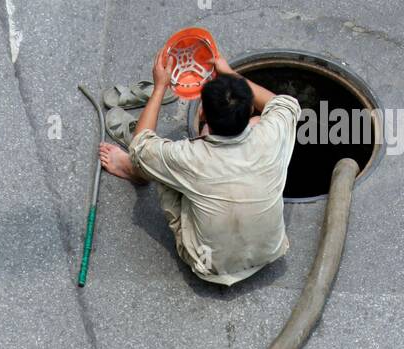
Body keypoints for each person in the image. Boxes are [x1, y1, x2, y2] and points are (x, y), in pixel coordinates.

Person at [99, 46, 301, 286]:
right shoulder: (270, 135)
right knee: (260, 123)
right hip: (270, 251)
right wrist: (230, 73)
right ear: (248, 108)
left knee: (159, 163)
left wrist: (160, 87)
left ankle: (133, 171)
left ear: (203, 112)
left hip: (211, 267)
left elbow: (141, 146)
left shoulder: (188, 157)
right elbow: (285, 104)